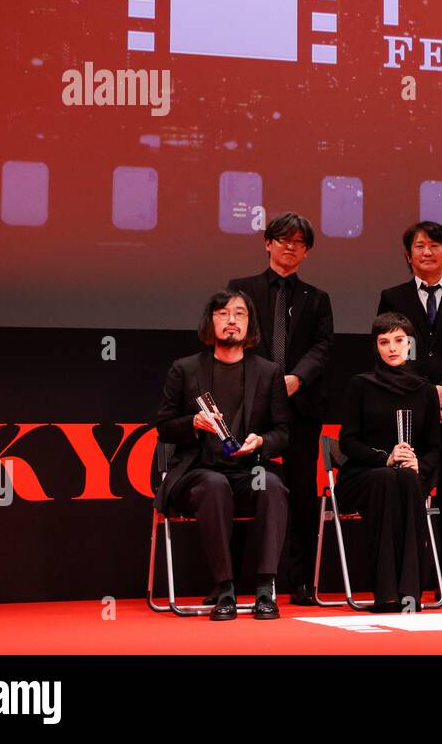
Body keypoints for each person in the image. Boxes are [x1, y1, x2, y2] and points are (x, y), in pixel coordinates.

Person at [154, 290, 291, 620]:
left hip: (247, 470)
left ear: (250, 324)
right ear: (210, 321)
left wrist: (261, 441)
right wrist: (194, 422)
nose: (232, 321)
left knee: (271, 485)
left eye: (240, 314)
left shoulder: (268, 372)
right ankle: (225, 590)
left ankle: (263, 590)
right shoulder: (184, 369)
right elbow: (164, 427)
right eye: (223, 314)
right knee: (214, 484)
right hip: (197, 472)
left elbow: (283, 433)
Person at [228, 212, 334, 607]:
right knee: (237, 487)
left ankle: (301, 581)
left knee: (302, 494)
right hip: (249, 407)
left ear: (306, 252)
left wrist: (294, 379)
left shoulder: (317, 299)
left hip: (301, 407)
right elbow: (232, 337)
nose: (290, 246)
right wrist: (265, 383)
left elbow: (323, 348)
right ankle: (236, 582)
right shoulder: (241, 290)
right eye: (282, 239)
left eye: (299, 242)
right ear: (267, 242)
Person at [376, 221, 442, 603]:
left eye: (435, 246)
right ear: (408, 255)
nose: (427, 252)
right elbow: (390, 351)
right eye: (420, 246)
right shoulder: (393, 296)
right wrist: (423, 395)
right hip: (406, 412)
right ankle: (410, 576)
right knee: (408, 491)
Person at [332, 313, 441, 612]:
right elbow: (348, 442)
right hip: (363, 475)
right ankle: (386, 593)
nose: (392, 348)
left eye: (398, 340)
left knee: (404, 477)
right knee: (387, 477)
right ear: (375, 346)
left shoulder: (426, 391)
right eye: (384, 342)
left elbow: (434, 449)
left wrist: (418, 465)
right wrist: (386, 457)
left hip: (407, 478)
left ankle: (408, 591)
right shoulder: (360, 385)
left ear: (410, 344)